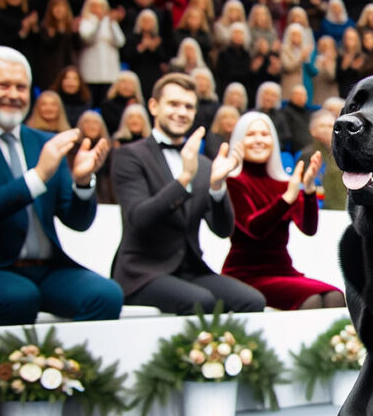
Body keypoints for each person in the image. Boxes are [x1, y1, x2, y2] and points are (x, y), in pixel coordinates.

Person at [0, 46, 122, 325]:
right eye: (3, 85)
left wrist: (82, 182)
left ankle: (72, 368)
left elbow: (77, 222)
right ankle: (16, 370)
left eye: (21, 87)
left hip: (46, 268)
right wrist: (37, 178)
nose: (13, 94)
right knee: (18, 297)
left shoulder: (43, 142)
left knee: (105, 295)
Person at [110, 73, 265, 315]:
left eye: (188, 106)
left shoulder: (203, 164)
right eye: (173, 104)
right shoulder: (129, 156)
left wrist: (217, 188)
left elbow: (223, 230)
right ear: (153, 106)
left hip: (191, 271)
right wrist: (184, 180)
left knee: (253, 301)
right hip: (141, 273)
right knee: (202, 302)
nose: (181, 112)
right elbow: (138, 219)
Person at [221, 112, 344, 309]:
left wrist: (309, 188)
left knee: (336, 296)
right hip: (246, 274)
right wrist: (287, 198)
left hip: (283, 270)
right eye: (251, 134)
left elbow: (308, 228)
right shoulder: (234, 181)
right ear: (239, 140)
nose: (259, 140)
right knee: (310, 300)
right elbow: (254, 229)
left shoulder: (284, 184)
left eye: (265, 134)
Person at [303, 109, 342, 210]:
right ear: (313, 131)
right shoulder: (307, 155)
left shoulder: (344, 153)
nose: (327, 129)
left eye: (330, 126)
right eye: (322, 126)